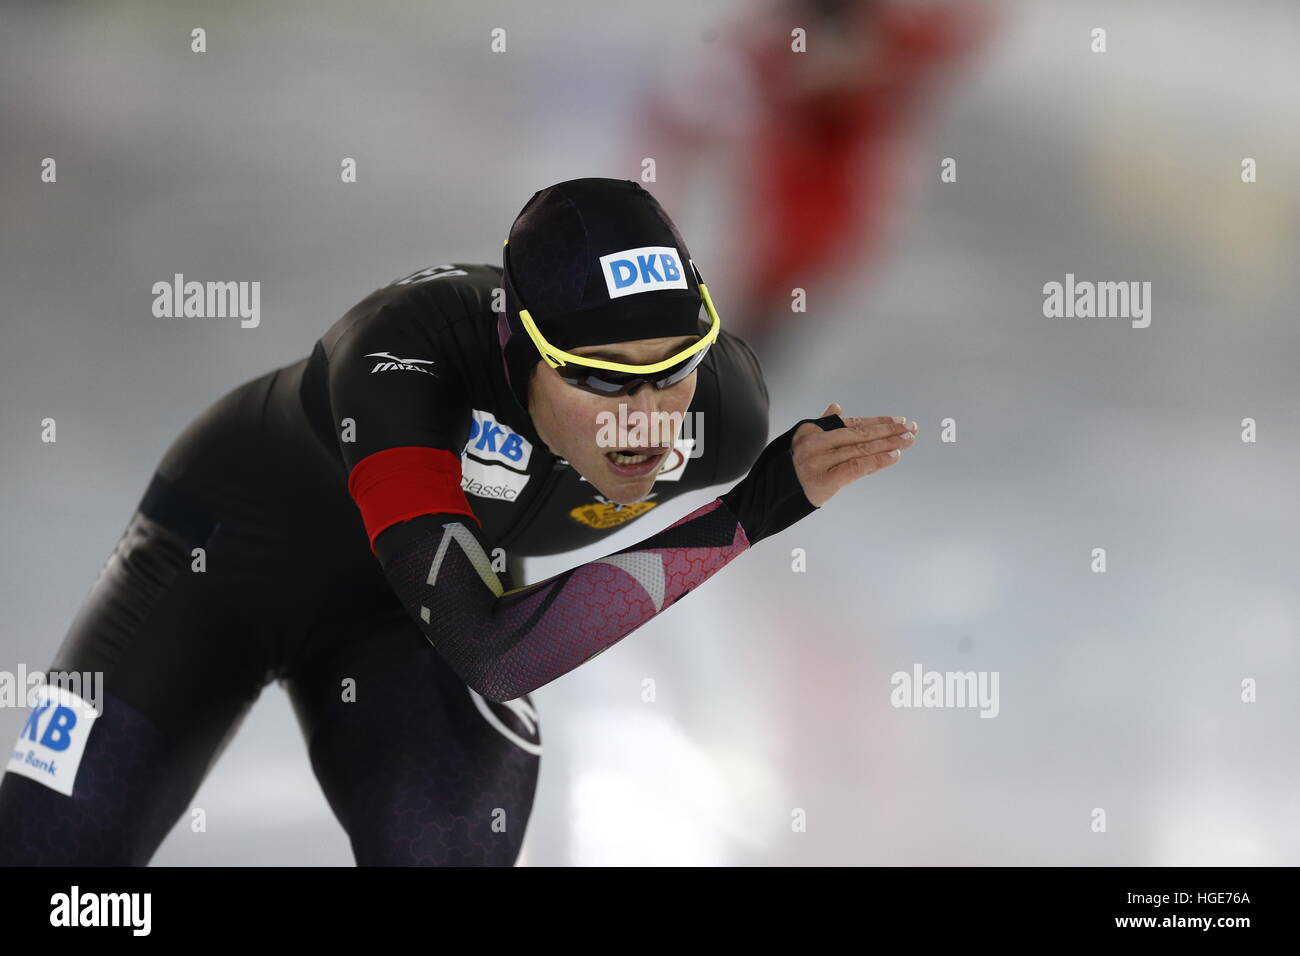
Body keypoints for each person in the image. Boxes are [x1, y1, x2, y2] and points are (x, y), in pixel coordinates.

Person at [0, 177, 917, 866]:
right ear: (519, 346)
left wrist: (741, 485)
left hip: (409, 619)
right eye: (599, 375)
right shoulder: (403, 355)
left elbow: (474, 636)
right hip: (221, 568)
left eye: (673, 366)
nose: (644, 413)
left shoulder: (722, 420)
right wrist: (747, 517)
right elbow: (496, 651)